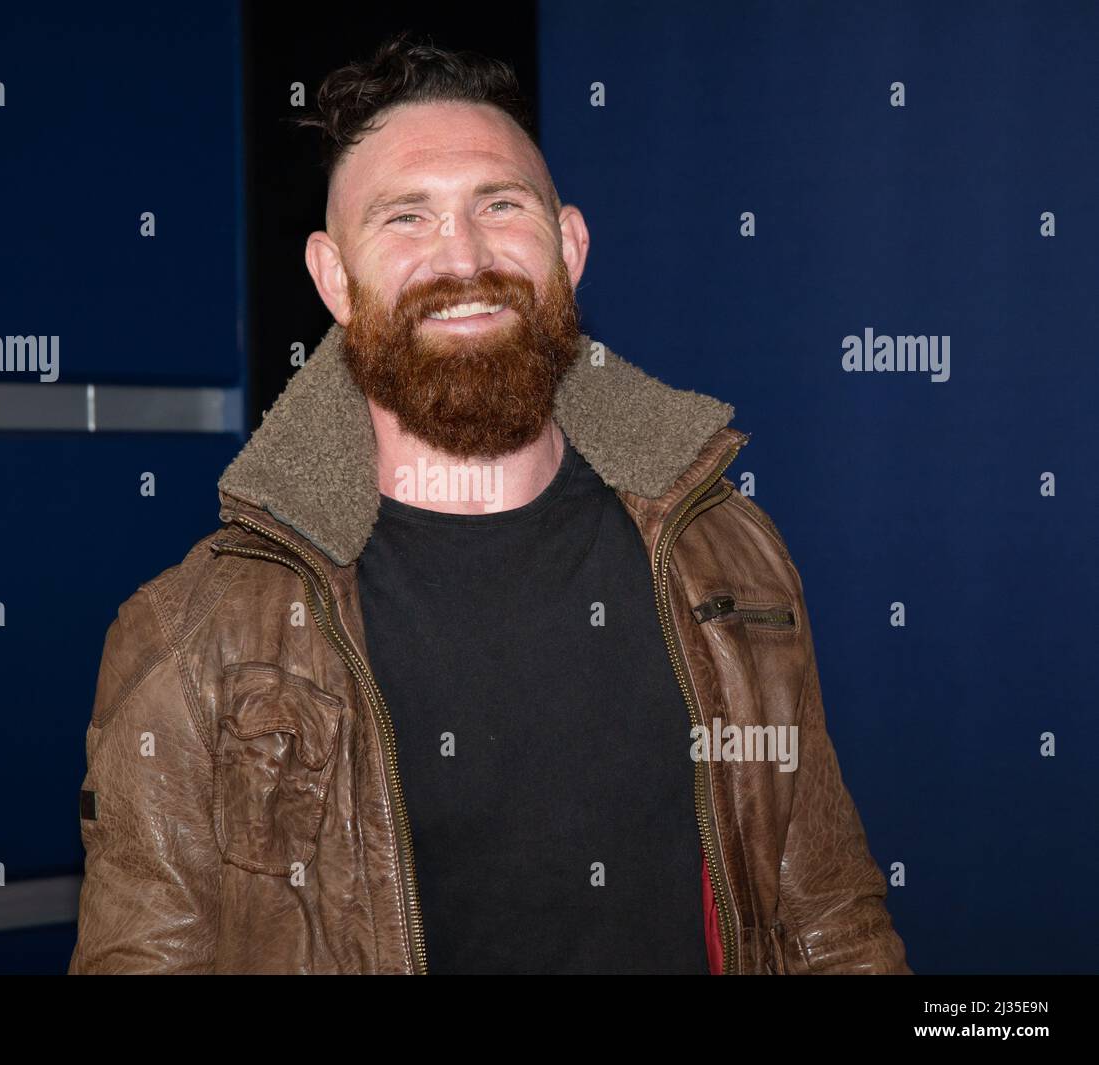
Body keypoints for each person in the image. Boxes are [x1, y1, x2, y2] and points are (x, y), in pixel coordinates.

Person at [68, 32, 910, 975]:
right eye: (406, 219)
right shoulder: (196, 633)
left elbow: (831, 918)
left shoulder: (724, 554)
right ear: (333, 280)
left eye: (499, 205)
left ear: (570, 246)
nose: (462, 256)